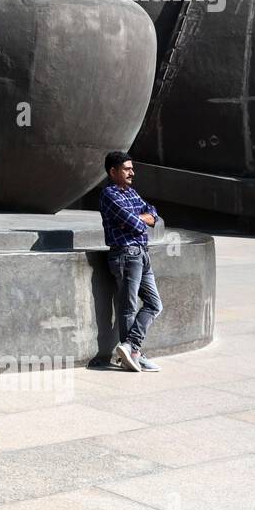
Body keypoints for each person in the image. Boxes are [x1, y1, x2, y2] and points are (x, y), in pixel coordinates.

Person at [99, 151, 163, 373]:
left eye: (131, 168)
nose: (132, 172)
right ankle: (133, 353)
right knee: (128, 307)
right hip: (126, 255)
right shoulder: (109, 195)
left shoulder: (132, 193)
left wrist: (145, 218)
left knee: (155, 304)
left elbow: (153, 215)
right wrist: (143, 219)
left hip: (142, 255)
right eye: (127, 169)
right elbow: (135, 224)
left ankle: (130, 347)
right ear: (113, 171)